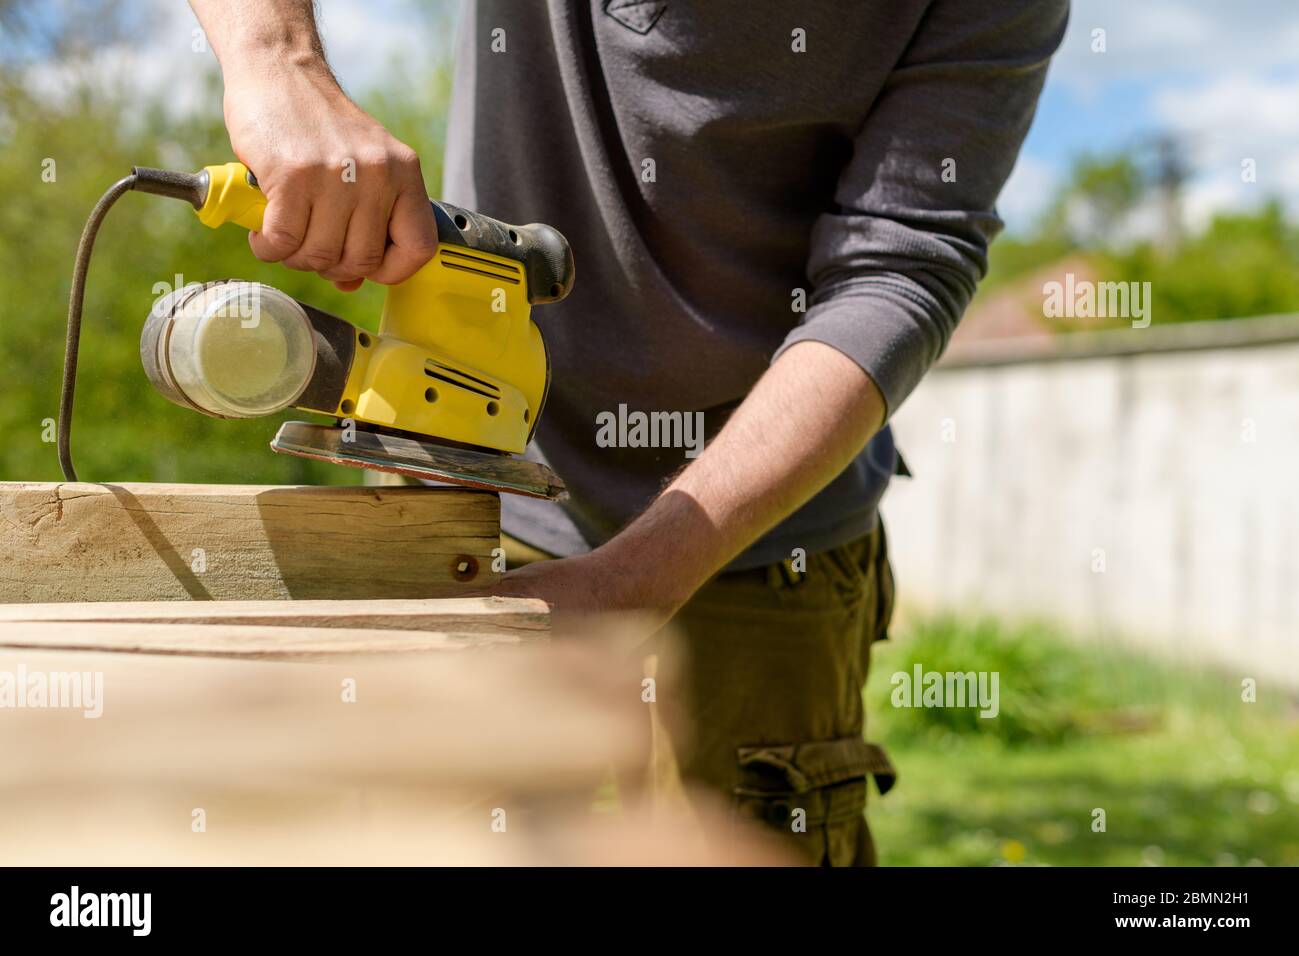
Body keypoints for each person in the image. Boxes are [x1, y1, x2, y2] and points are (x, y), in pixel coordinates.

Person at [189, 0, 1069, 865]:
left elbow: (902, 265)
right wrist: (275, 58)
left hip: (765, 537)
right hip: (461, 505)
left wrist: (639, 576)